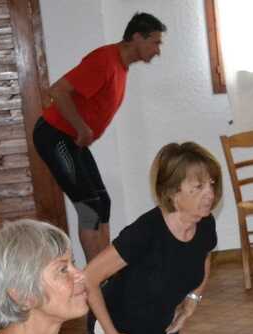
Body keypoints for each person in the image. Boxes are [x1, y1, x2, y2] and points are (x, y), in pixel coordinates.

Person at [77, 141, 221, 334]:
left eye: (211, 184)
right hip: (115, 325)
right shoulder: (145, 232)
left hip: (157, 326)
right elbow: (89, 278)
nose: (210, 194)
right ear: (172, 193)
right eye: (198, 187)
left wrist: (192, 301)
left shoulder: (204, 224)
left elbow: (204, 257)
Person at [33, 12, 167, 263]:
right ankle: (96, 279)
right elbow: (58, 91)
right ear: (137, 37)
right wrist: (82, 128)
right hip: (53, 134)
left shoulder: (121, 67)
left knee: (101, 202)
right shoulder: (105, 60)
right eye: (155, 42)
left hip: (69, 138)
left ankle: (106, 271)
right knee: (89, 206)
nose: (158, 50)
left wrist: (81, 130)